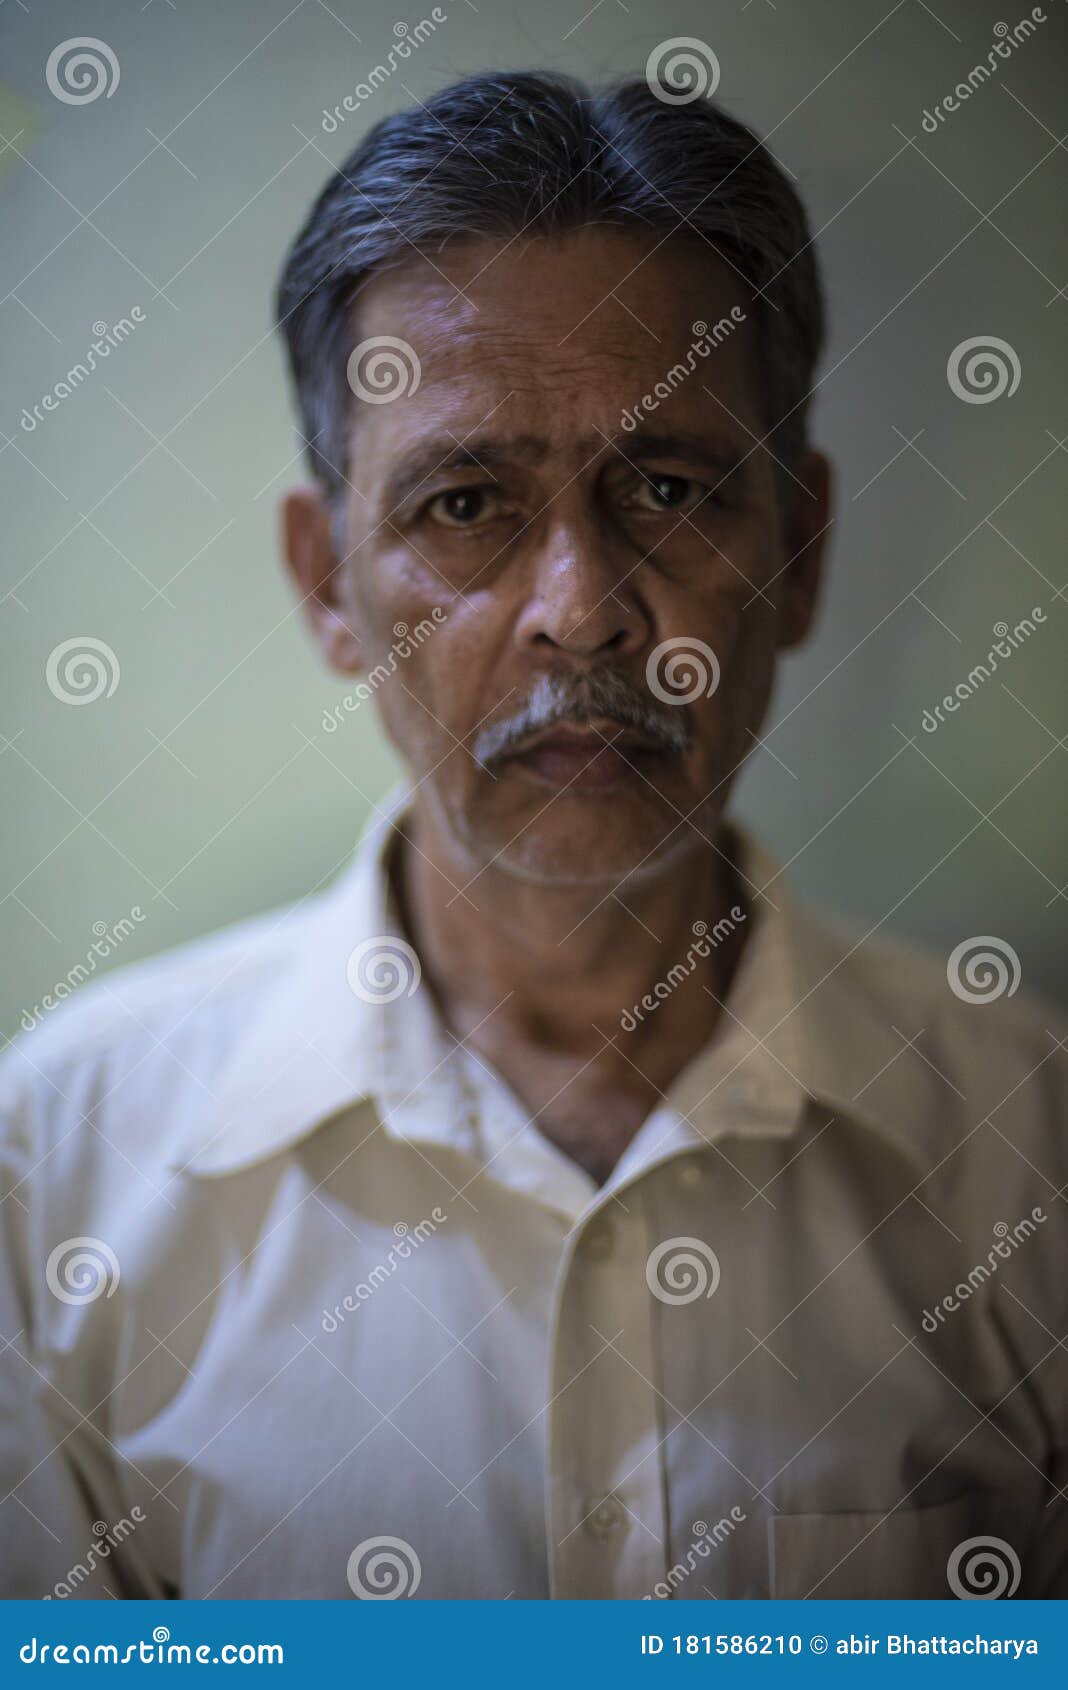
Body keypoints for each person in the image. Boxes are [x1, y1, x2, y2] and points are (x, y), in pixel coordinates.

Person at [1, 70, 1064, 1602]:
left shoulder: (1027, 1152)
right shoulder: (61, 1174)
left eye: (674, 486)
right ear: (325, 584)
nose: (581, 604)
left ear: (804, 550)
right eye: (464, 503)